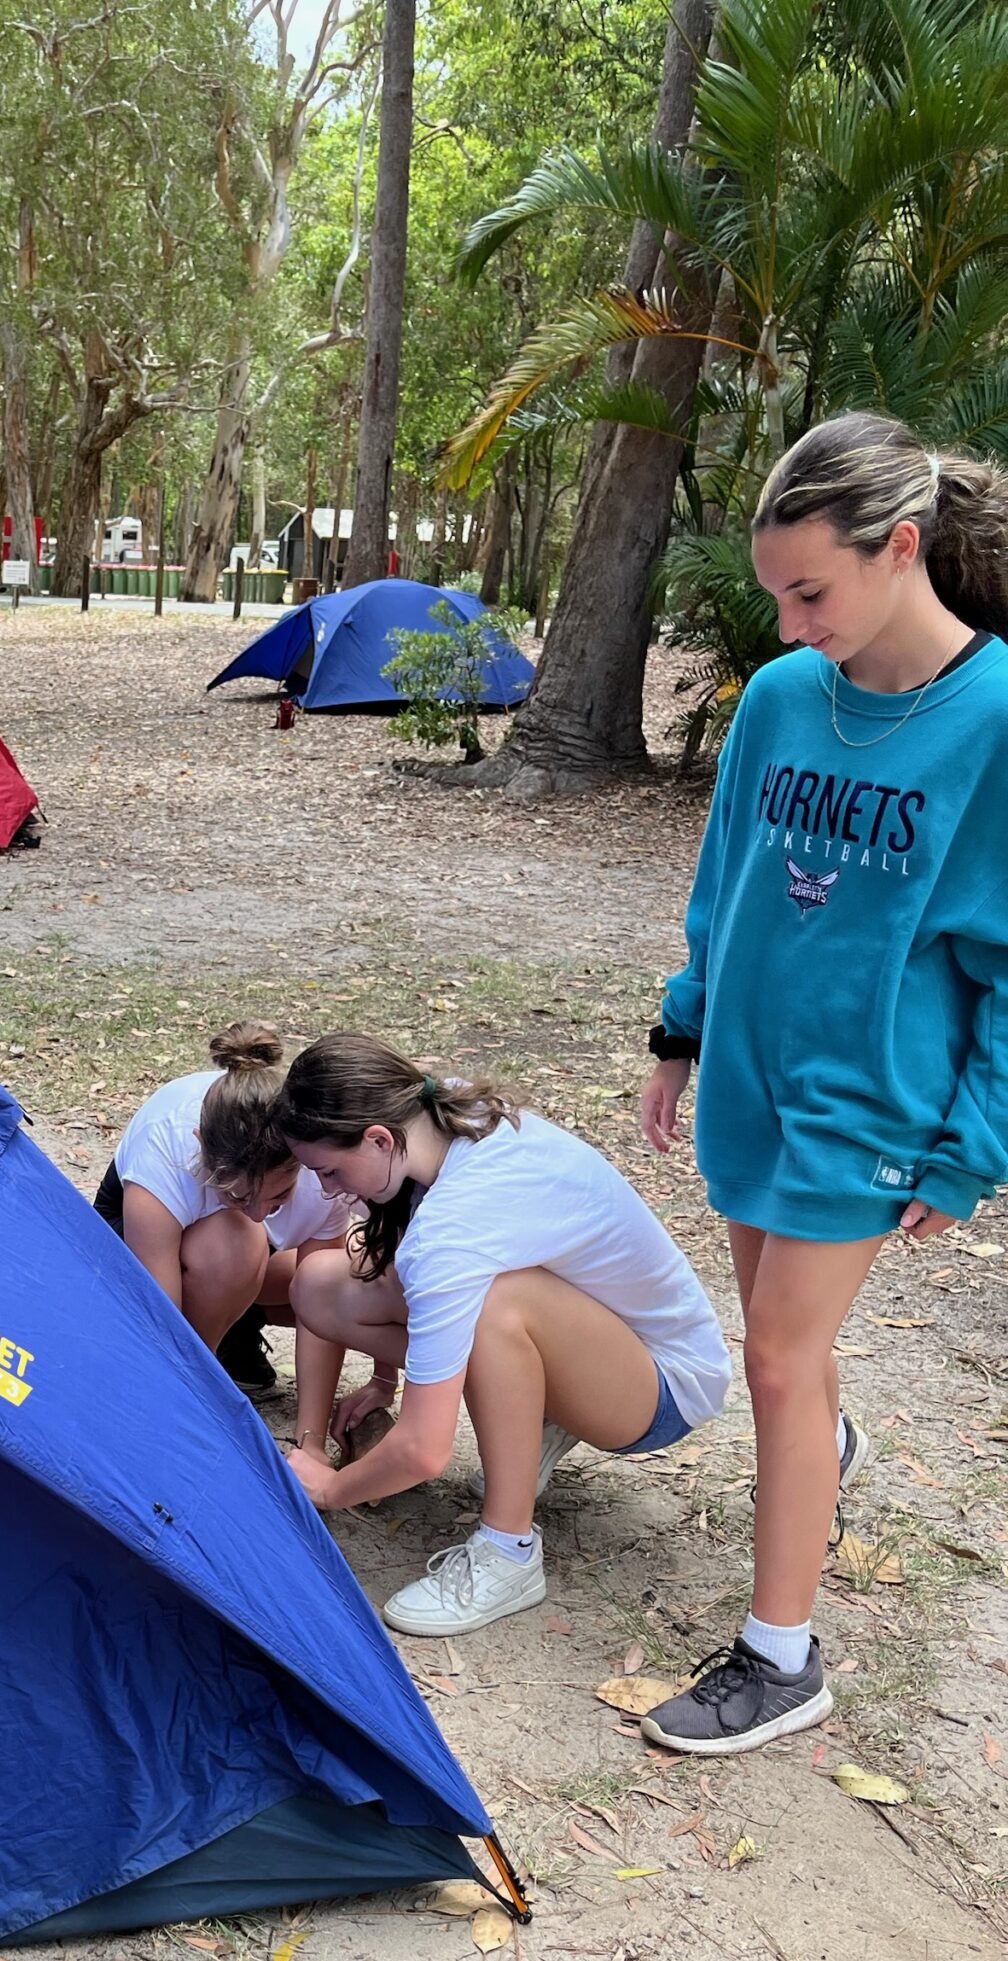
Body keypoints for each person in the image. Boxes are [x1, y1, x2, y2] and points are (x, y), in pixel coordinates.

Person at [637, 411, 1008, 1755]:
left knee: (781, 1363)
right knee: (787, 1358)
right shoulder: (786, 700)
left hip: (873, 1099)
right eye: (777, 597)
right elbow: (726, 875)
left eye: (811, 592)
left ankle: (780, 1658)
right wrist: (681, 1028)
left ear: (900, 548)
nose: (792, 626)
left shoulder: (997, 717)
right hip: (749, 1072)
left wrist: (973, 1144)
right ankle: (822, 1461)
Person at [277, 1033, 730, 1637]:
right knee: (322, 1283)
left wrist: (332, 1490)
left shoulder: (454, 1227)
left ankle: (507, 1551)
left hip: (663, 1389)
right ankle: (535, 1417)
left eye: (331, 1170)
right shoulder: (438, 1110)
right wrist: (383, 1383)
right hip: (598, 1336)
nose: (331, 1189)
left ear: (379, 1138)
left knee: (494, 1305)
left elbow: (424, 1450)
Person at [96, 1024, 353, 1452]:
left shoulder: (320, 1167)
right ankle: (201, 1381)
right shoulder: (168, 1152)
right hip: (141, 1242)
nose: (257, 1211)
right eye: (237, 1193)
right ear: (201, 1148)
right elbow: (160, 1318)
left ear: (301, 1159)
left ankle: (235, 1330)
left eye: (277, 1196)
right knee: (237, 1241)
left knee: (346, 1270)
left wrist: (311, 1443)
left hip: (232, 1258)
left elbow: (322, 1302)